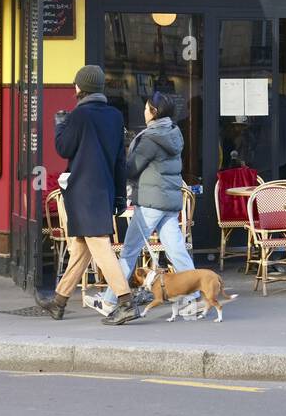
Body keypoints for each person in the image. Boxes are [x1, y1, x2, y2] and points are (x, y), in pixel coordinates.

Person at [35, 65, 137, 325]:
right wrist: (119, 198)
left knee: (100, 247)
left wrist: (60, 124)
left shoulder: (79, 115)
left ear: (80, 88)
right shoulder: (115, 116)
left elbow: (63, 148)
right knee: (81, 248)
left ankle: (125, 302)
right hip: (103, 191)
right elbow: (119, 160)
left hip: (83, 192)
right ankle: (58, 302)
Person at [96, 92, 203, 317]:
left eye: (146, 108)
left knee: (129, 251)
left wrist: (124, 149)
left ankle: (109, 298)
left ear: (154, 112)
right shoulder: (173, 132)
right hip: (169, 201)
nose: (144, 111)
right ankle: (193, 297)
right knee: (176, 250)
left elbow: (131, 169)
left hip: (151, 203)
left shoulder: (151, 138)